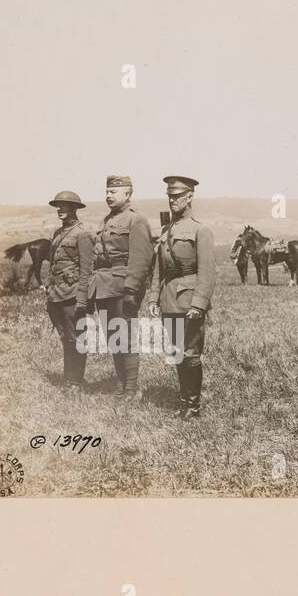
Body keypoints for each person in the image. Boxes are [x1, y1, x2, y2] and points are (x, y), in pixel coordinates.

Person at [148, 175, 215, 419]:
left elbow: (207, 273)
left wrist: (199, 303)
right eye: (169, 196)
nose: (172, 200)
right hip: (169, 300)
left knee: (191, 353)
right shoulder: (167, 230)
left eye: (177, 196)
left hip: (189, 302)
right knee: (176, 352)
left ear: (190, 197)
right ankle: (184, 401)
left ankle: (193, 407)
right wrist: (154, 298)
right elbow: (159, 269)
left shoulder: (201, 230)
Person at [89, 174, 155, 399]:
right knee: (113, 338)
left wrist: (131, 291)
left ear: (128, 194)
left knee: (126, 338)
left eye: (113, 192)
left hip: (122, 285)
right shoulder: (106, 221)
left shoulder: (136, 220)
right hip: (104, 285)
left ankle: (132, 389)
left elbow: (141, 258)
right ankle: (121, 383)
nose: (108, 195)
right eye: (107, 191)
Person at [43, 191, 93, 391]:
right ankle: (68, 378)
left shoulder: (83, 234)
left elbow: (86, 270)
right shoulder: (57, 234)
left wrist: (82, 300)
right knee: (65, 337)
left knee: (76, 338)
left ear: (74, 209)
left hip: (72, 295)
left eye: (64, 206)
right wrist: (48, 286)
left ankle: (76, 382)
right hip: (56, 295)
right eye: (58, 205)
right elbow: (52, 263)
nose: (60, 209)